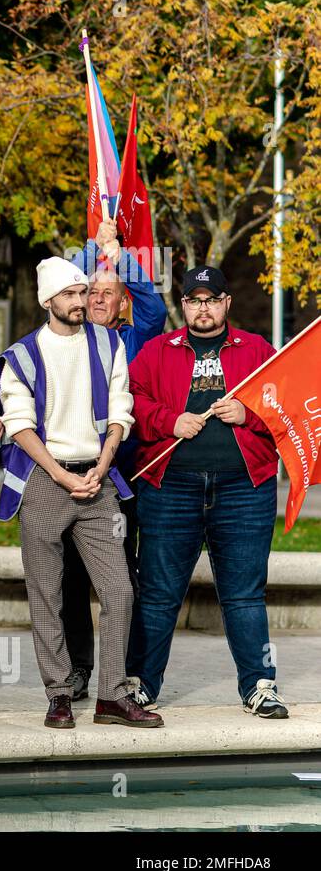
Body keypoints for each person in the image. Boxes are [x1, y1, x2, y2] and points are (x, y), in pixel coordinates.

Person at [0, 255, 162, 729]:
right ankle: (59, 693)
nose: (81, 301)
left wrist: (103, 464)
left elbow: (119, 407)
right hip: (46, 481)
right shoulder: (22, 355)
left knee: (119, 591)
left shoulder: (109, 343)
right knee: (46, 594)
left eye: (83, 292)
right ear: (49, 300)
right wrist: (63, 476)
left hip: (98, 478)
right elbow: (19, 426)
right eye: (69, 294)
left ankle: (111, 695)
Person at [125, 266, 287, 718]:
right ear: (184, 306)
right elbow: (129, 399)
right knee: (157, 593)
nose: (203, 308)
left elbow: (284, 403)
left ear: (226, 303)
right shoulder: (158, 351)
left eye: (211, 299)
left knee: (245, 594)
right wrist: (167, 420)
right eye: (194, 300)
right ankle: (140, 685)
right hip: (170, 487)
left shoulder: (257, 350)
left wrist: (248, 412)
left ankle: (260, 685)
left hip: (243, 489)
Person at [59, 216, 167, 700]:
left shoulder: (134, 338)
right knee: (71, 582)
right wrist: (92, 249)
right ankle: (79, 669)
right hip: (66, 477)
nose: (98, 298)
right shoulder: (64, 336)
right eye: (90, 290)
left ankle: (122, 672)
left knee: (120, 581)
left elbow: (153, 304)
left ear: (122, 299)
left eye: (109, 291)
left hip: (121, 482)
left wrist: (115, 251)